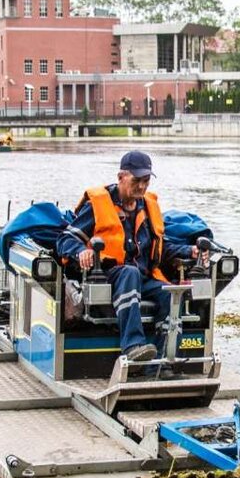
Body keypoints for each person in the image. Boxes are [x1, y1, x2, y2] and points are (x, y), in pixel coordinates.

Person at [56, 151, 204, 362]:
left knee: (170, 294)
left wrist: (189, 251)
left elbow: (160, 246)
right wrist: (81, 251)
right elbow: (64, 239)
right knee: (129, 272)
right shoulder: (98, 206)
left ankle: (163, 361)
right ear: (121, 177)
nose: (142, 187)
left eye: (146, 181)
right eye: (137, 180)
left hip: (142, 277)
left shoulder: (148, 207)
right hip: (109, 276)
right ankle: (133, 345)